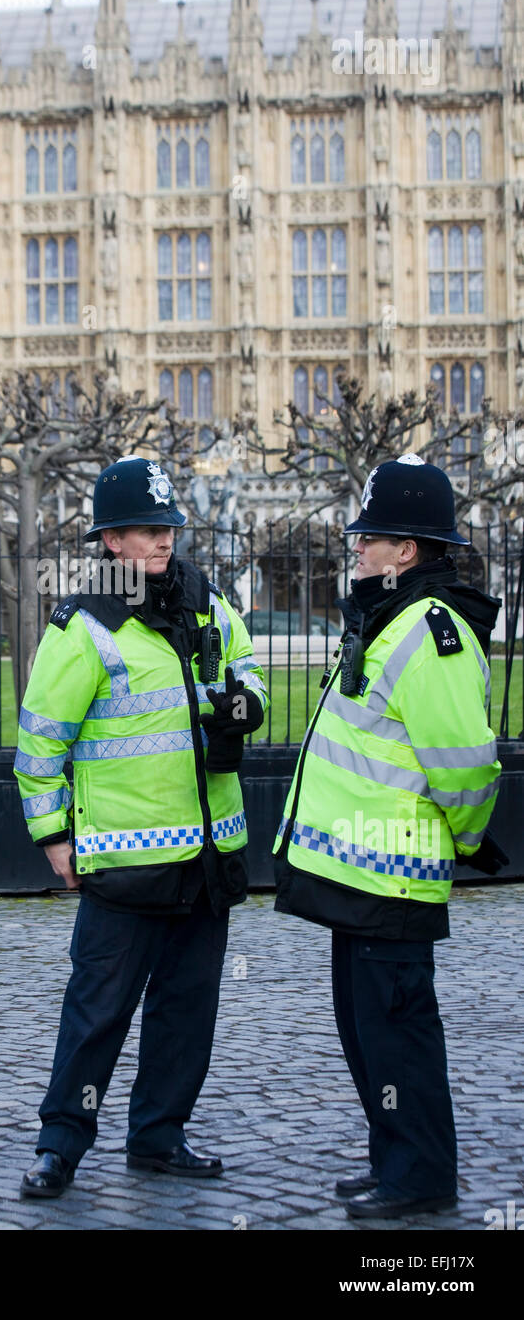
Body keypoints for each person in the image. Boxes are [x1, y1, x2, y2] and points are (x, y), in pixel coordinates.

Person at [14, 456, 267, 1198]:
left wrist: (247, 704)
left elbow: (250, 671)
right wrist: (53, 835)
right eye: (149, 530)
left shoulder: (205, 601)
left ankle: (159, 1136)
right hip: (123, 857)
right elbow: (39, 743)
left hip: (209, 851)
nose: (164, 542)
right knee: (97, 1014)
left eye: (169, 528)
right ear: (112, 541)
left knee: (186, 1013)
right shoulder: (84, 623)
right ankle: (60, 1145)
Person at [274, 455, 505, 1219]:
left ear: (405, 550)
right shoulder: (394, 616)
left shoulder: (430, 631)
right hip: (358, 876)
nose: (358, 548)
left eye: (369, 536)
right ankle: (392, 1158)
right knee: (369, 1035)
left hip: (392, 878)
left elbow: (466, 766)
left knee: (398, 1037)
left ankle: (421, 1176)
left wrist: (466, 838)